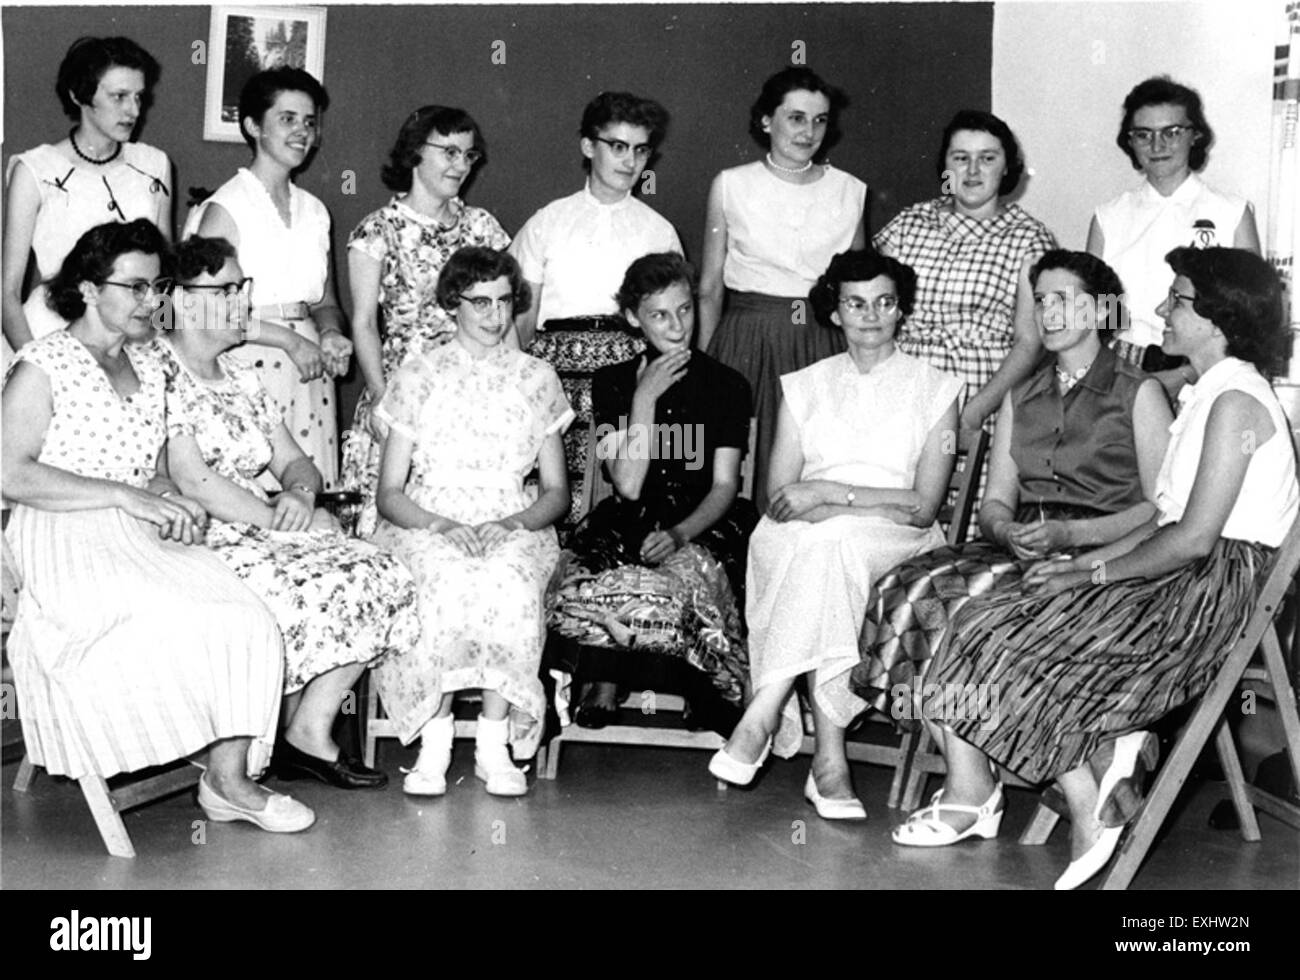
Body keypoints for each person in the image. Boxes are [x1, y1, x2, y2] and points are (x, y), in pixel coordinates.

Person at [894, 247, 1297, 891]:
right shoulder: (1203, 393)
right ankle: (1099, 776)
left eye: (1179, 301)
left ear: (1218, 319)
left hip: (1208, 591)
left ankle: (1098, 786)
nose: (1162, 310)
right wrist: (1080, 564)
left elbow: (1193, 540)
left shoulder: (1236, 404)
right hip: (1177, 573)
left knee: (1020, 636)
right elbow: (1161, 520)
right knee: (987, 616)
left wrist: (1092, 576)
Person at [2, 219, 313, 834]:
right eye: (137, 288)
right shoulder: (44, 363)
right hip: (61, 533)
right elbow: (9, 474)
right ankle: (162, 756)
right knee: (161, 618)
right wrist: (126, 496)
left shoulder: (151, 367)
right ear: (90, 290)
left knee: (247, 615)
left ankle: (227, 779)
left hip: (138, 528)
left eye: (159, 287)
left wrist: (168, 496)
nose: (154, 302)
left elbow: (158, 468)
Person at [853, 250, 1172, 715]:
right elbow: (995, 503)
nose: (1047, 313)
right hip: (1023, 547)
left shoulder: (1139, 391)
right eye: (1041, 301)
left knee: (978, 613)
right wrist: (1007, 531)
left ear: (1102, 310)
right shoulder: (1020, 396)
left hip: (1110, 554)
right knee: (909, 586)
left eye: (1063, 299)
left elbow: (1161, 508)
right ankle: (953, 744)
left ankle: (985, 751)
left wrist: (1071, 535)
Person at [158, 236, 421, 790]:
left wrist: (300, 498)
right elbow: (194, 482)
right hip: (195, 534)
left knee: (380, 570)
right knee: (305, 582)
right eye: (223, 290)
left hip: (260, 522)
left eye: (240, 288)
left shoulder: (242, 378)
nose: (239, 302)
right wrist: (276, 520)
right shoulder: (156, 373)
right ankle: (249, 741)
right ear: (179, 301)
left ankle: (308, 732)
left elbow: (297, 464)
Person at [707, 249, 963, 820]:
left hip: (896, 538)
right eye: (855, 303)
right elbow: (779, 492)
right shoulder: (804, 384)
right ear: (834, 312)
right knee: (824, 549)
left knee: (836, 545)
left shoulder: (940, 388)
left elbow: (921, 506)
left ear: (902, 310)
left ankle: (765, 712)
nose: (870, 315)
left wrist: (831, 495)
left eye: (884, 302)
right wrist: (817, 505)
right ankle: (828, 763)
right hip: (803, 534)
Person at [371, 247, 572, 798]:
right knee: (442, 582)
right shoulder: (417, 375)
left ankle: (493, 743)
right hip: (427, 516)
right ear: (451, 304)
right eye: (479, 302)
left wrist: (514, 523)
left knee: (506, 584)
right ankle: (433, 745)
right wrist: (437, 525)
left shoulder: (537, 377)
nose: (494, 315)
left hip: (512, 515)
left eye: (504, 301)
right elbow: (389, 492)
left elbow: (556, 492)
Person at [547, 253, 757, 732]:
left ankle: (699, 683)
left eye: (685, 309)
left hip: (703, 519)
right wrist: (644, 398)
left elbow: (725, 485)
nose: (677, 325)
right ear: (633, 319)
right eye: (660, 315)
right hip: (631, 514)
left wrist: (682, 533)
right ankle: (605, 675)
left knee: (688, 579)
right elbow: (627, 483)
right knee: (589, 578)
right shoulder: (613, 382)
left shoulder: (727, 385)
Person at [699, 66, 867, 512]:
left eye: (820, 120)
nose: (808, 131)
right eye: (796, 118)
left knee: (813, 471)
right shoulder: (732, 184)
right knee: (737, 467)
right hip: (747, 341)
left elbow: (857, 289)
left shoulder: (849, 191)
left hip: (821, 343)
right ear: (766, 121)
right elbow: (710, 287)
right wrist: (701, 365)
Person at [510, 91, 681, 526]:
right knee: (550, 496)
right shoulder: (548, 221)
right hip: (555, 377)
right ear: (589, 146)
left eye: (640, 150)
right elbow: (521, 322)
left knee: (614, 500)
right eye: (617, 146)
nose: (630, 161)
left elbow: (671, 324)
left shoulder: (658, 231)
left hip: (625, 380)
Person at [343, 105, 511, 537]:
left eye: (468, 156)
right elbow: (363, 323)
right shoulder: (378, 230)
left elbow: (504, 318)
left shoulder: (483, 228)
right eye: (450, 152)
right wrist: (384, 398)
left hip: (475, 398)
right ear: (416, 151)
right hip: (405, 395)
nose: (461, 166)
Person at [184, 67, 351, 488]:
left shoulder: (315, 211)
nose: (302, 132)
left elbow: (325, 302)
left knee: (310, 497)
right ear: (253, 126)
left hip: (309, 373)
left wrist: (329, 334)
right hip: (249, 364)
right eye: (287, 118)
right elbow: (196, 312)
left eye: (309, 122)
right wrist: (291, 340)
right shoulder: (225, 208)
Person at [873, 110, 1056, 436]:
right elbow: (871, 311)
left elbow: (1029, 342)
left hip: (976, 401)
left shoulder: (1029, 238)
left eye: (987, 158)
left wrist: (975, 412)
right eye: (961, 157)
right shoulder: (908, 224)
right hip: (898, 396)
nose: (972, 170)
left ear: (1006, 167)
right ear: (946, 165)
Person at [3, 37, 171, 360]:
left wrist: (159, 352)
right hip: (48, 337)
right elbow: (7, 293)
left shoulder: (155, 165)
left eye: (138, 97)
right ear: (79, 95)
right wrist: (37, 365)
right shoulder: (35, 169)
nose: (133, 110)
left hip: (132, 344)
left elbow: (164, 279)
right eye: (119, 96)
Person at [1087, 76, 1261, 385]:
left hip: (1207, 371)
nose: (1158, 146)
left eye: (1172, 132)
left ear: (1195, 136)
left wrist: (1185, 374)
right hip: (1125, 372)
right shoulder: (1109, 218)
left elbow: (1246, 316)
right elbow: (1099, 314)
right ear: (1130, 141)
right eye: (1144, 134)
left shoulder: (1231, 212)